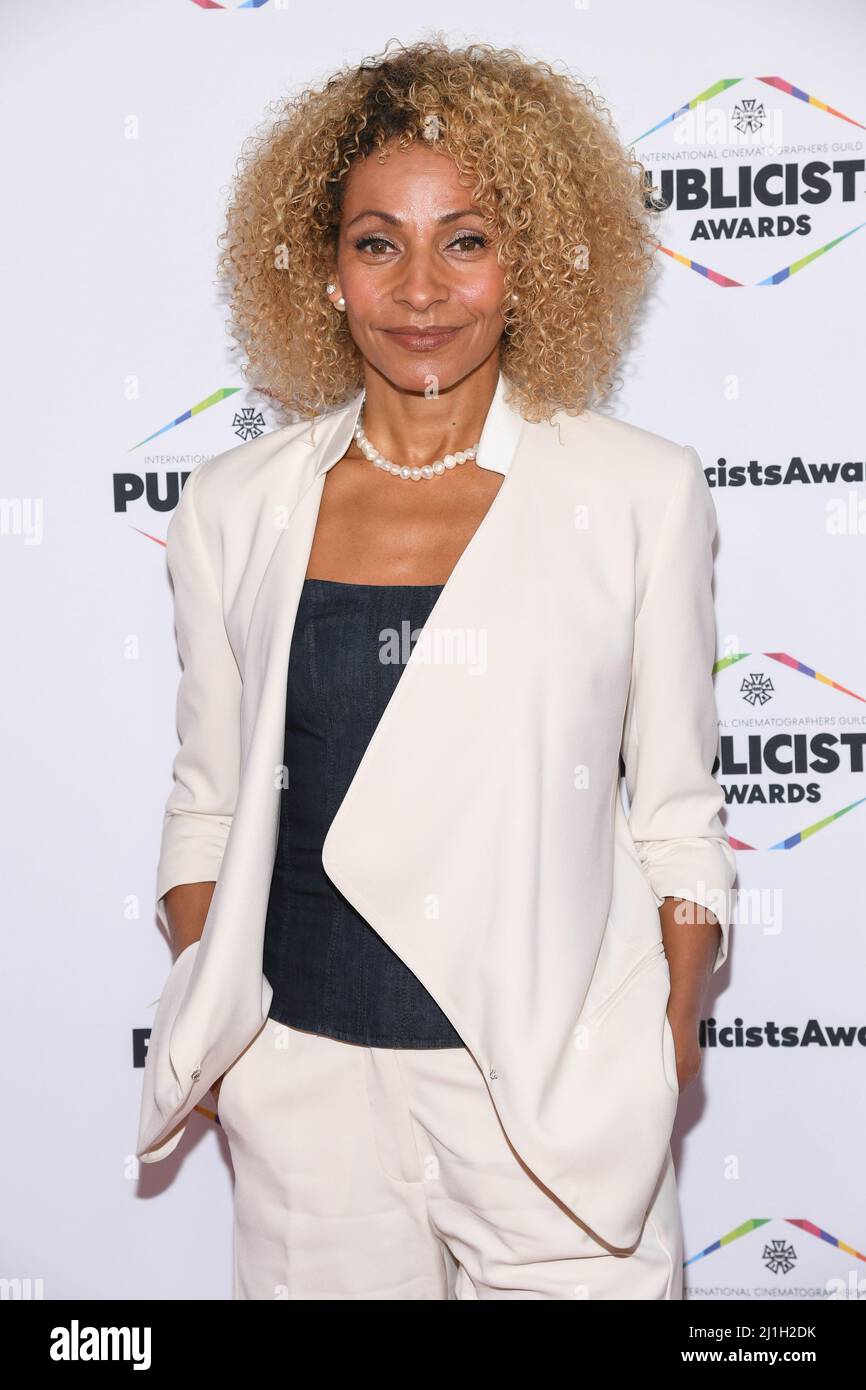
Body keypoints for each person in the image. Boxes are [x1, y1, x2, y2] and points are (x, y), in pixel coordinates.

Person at [136, 38, 736, 1301]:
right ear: (322, 268)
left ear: (528, 260)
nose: (421, 289)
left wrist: (660, 1045)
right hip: (306, 1101)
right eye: (376, 242)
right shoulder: (234, 505)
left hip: (552, 1103)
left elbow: (676, 814)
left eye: (464, 240)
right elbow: (207, 806)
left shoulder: (635, 491)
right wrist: (236, 1041)